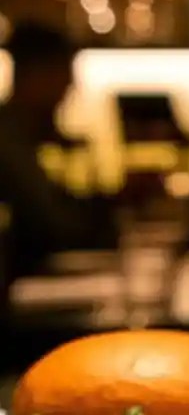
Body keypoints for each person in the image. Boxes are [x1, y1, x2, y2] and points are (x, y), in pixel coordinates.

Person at [0, 22, 114, 276]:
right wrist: (113, 212)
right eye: (64, 79)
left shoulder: (19, 136)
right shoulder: (9, 143)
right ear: (36, 76)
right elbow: (54, 227)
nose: (69, 92)